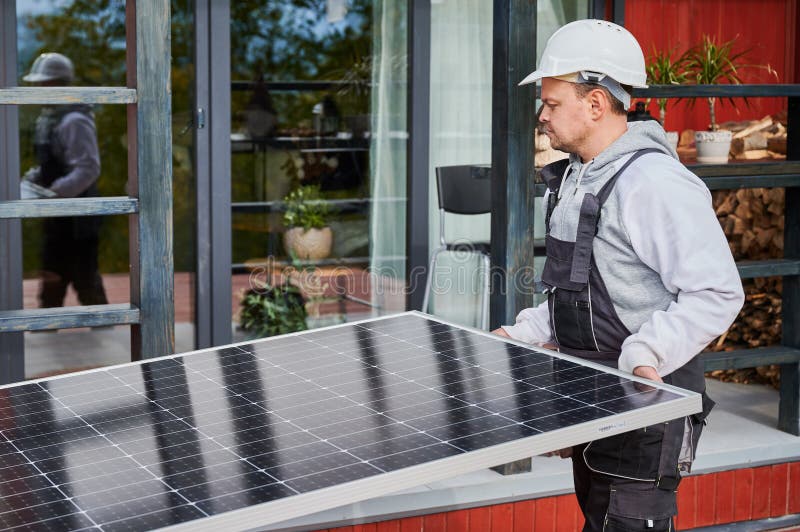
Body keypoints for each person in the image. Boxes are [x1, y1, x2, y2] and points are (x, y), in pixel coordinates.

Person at [492, 20, 744, 531]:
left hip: (648, 402)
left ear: (596, 103)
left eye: (553, 102)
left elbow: (717, 291)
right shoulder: (576, 177)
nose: (542, 116)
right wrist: (526, 333)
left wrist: (646, 355)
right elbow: (583, 287)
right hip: (593, 393)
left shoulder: (654, 182)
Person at [22, 52, 108, 309]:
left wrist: (52, 195)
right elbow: (52, 161)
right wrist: (32, 180)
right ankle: (48, 333)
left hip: (78, 218)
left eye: (43, 83)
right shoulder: (49, 119)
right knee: (51, 281)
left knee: (85, 281)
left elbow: (88, 168)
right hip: (58, 216)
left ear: (58, 84)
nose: (38, 88)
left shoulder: (74, 120)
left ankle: (105, 334)